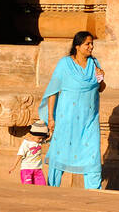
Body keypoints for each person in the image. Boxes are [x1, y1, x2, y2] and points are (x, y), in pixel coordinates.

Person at [38, 31, 106, 190]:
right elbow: (52, 91)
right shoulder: (65, 64)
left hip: (90, 119)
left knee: (93, 154)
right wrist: (51, 118)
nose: (91, 47)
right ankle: (52, 188)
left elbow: (101, 88)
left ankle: (94, 192)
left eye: (91, 43)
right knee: (60, 152)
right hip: (67, 117)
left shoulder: (94, 63)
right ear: (77, 46)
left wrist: (101, 77)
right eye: (87, 44)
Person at [10, 120, 49, 185]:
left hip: (38, 169)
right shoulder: (26, 144)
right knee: (28, 186)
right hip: (26, 170)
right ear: (32, 135)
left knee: (42, 186)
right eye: (39, 138)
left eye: (42, 138)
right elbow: (20, 154)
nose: (41, 140)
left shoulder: (39, 142)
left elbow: (48, 138)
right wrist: (14, 165)